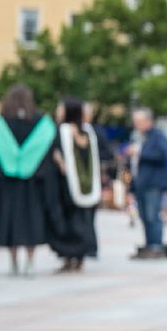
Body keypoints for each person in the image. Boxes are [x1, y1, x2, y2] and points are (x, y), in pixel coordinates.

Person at [0, 84, 62, 276]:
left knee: (10, 221)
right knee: (32, 221)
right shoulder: (42, 123)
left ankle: (13, 263)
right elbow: (47, 156)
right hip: (33, 184)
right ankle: (30, 261)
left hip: (8, 183)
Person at [49, 97, 103, 273]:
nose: (58, 111)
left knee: (68, 220)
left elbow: (55, 153)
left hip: (66, 186)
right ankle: (78, 257)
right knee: (82, 220)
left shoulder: (61, 130)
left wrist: (58, 161)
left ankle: (69, 257)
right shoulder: (88, 132)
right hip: (85, 184)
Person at [128, 107, 167, 260]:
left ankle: (156, 246)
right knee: (143, 215)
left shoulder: (157, 135)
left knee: (152, 215)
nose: (136, 124)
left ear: (148, 121)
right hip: (141, 183)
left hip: (153, 183)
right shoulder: (138, 137)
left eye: (139, 121)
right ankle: (149, 245)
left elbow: (163, 153)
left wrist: (140, 152)